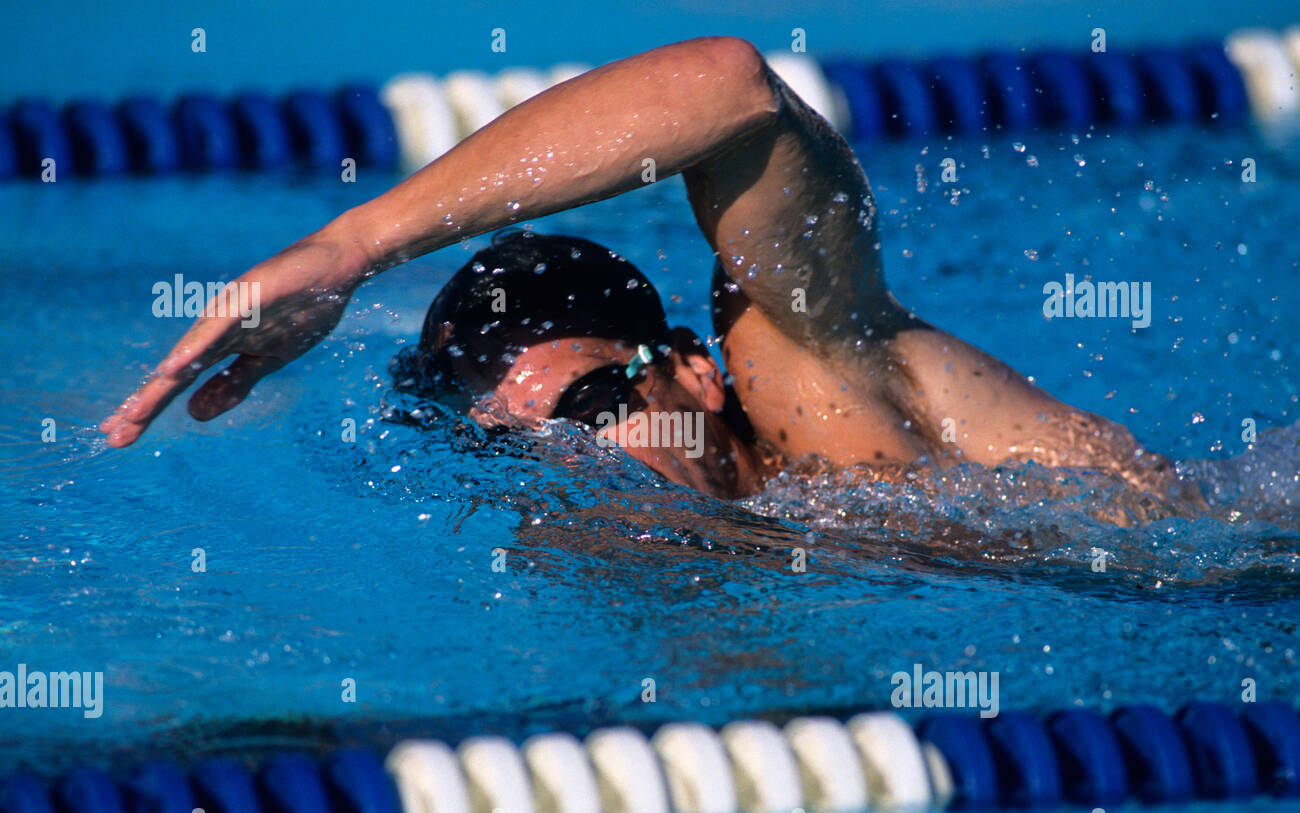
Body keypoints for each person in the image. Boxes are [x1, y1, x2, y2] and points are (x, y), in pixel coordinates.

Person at [100, 36, 1184, 504]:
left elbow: (729, 95)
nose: (564, 463)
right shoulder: (611, 560)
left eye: (585, 402)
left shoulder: (807, 376)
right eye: (508, 447)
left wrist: (358, 246)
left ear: (689, 372)